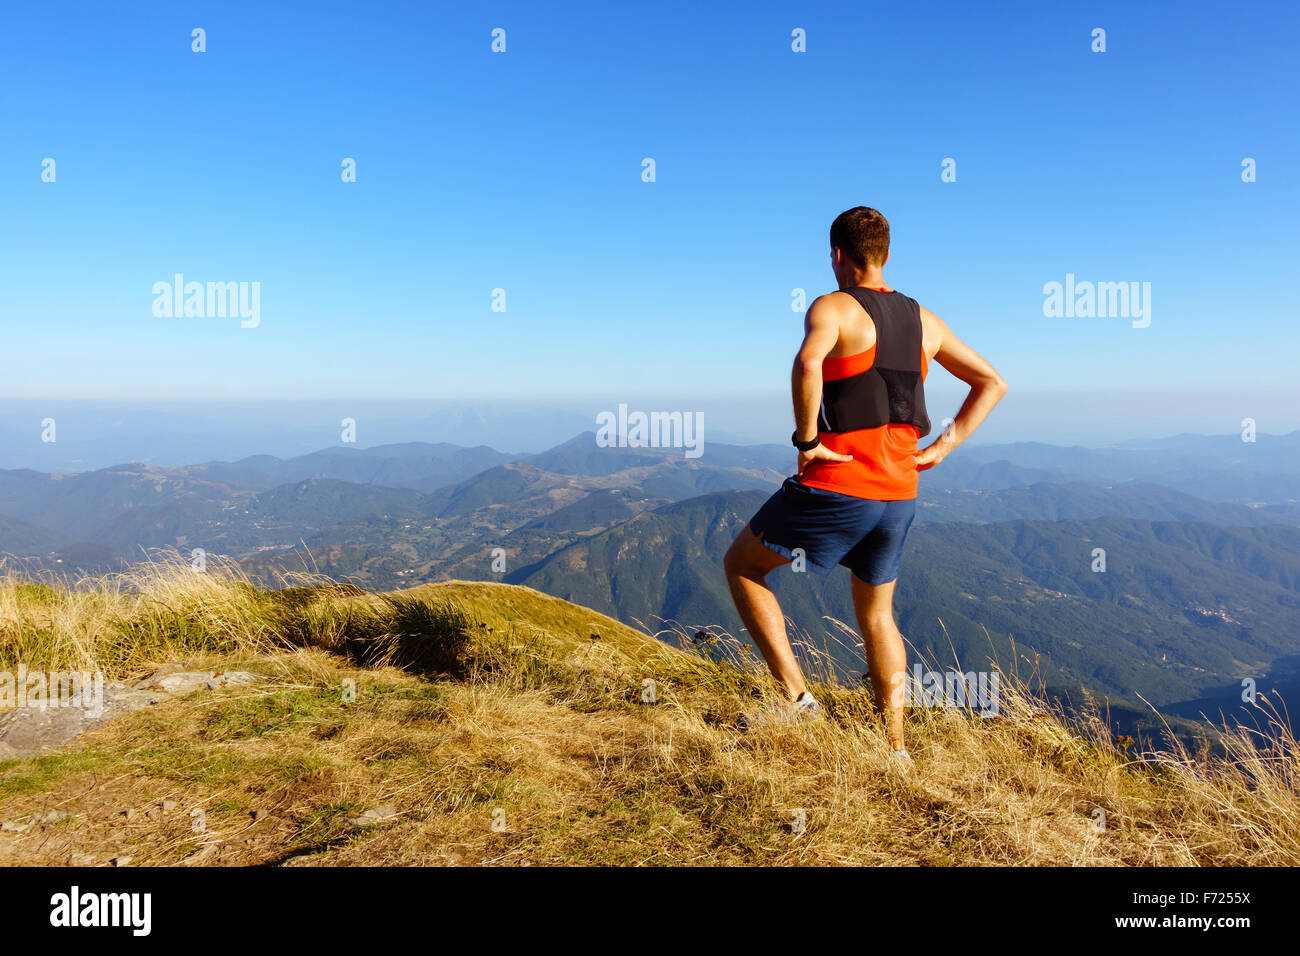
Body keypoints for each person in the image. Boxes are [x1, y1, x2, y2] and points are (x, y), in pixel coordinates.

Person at [723, 206, 1007, 758]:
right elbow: (992, 382)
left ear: (836, 255)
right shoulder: (926, 320)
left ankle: (796, 702)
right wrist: (942, 447)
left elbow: (808, 365)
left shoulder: (834, 307)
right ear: (887, 254)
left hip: (839, 482)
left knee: (742, 564)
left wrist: (807, 443)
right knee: (878, 614)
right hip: (900, 492)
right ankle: (895, 748)